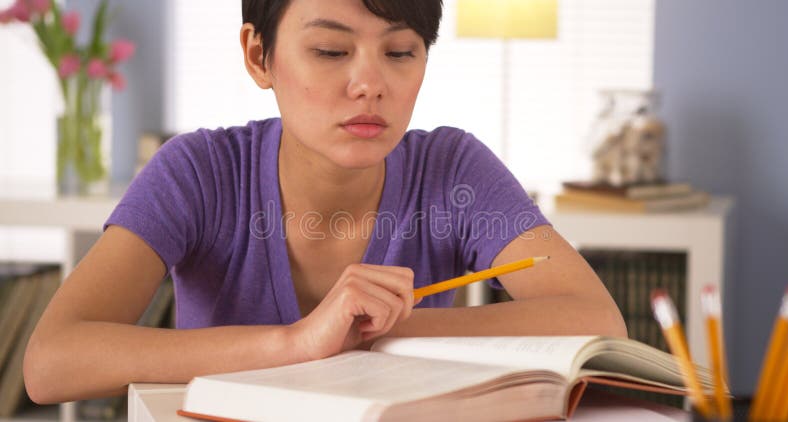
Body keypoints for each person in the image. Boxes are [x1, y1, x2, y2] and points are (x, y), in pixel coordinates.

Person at [23, 0, 626, 405]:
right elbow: (51, 363)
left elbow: (597, 320)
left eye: (400, 52)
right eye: (332, 52)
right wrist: (298, 342)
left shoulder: (453, 171)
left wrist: (383, 327)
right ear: (258, 55)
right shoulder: (199, 172)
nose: (371, 85)